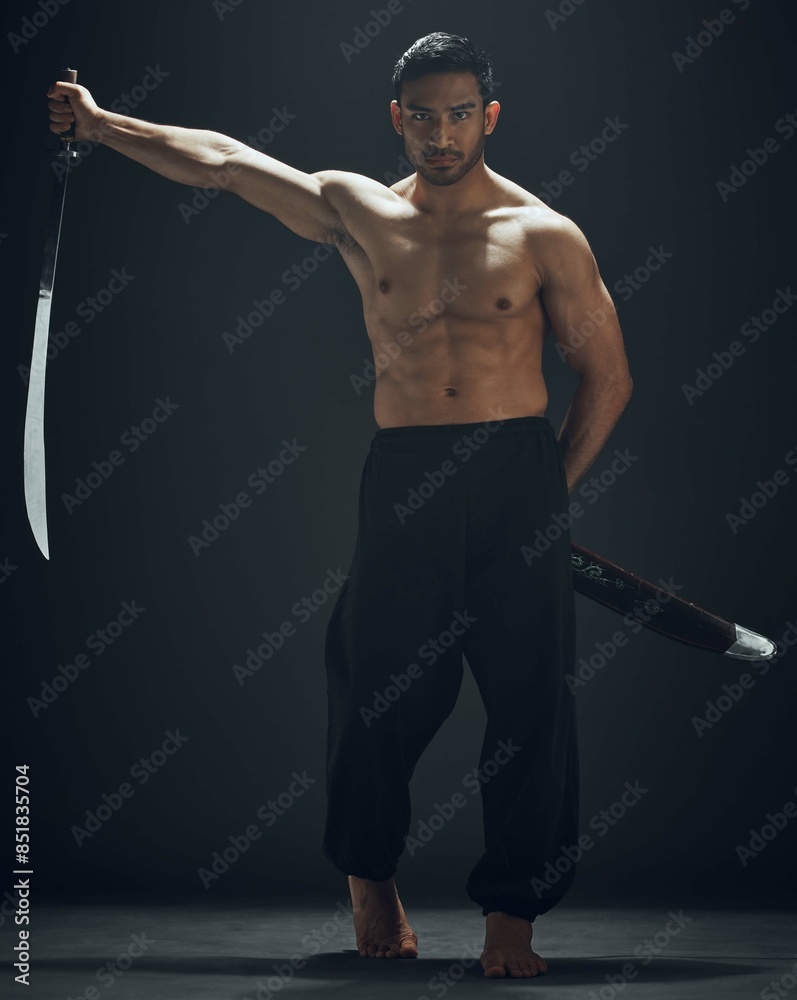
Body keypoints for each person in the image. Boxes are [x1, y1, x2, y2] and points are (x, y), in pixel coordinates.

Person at [47, 30, 633, 980]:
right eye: (420, 116)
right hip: (403, 472)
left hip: (515, 468)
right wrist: (105, 126)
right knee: (371, 691)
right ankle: (371, 881)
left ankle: (510, 919)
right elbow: (227, 164)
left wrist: (548, 498)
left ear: (487, 117)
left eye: (457, 115)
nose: (439, 135)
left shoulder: (544, 235)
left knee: (531, 705)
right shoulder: (357, 210)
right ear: (395, 118)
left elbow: (605, 377)